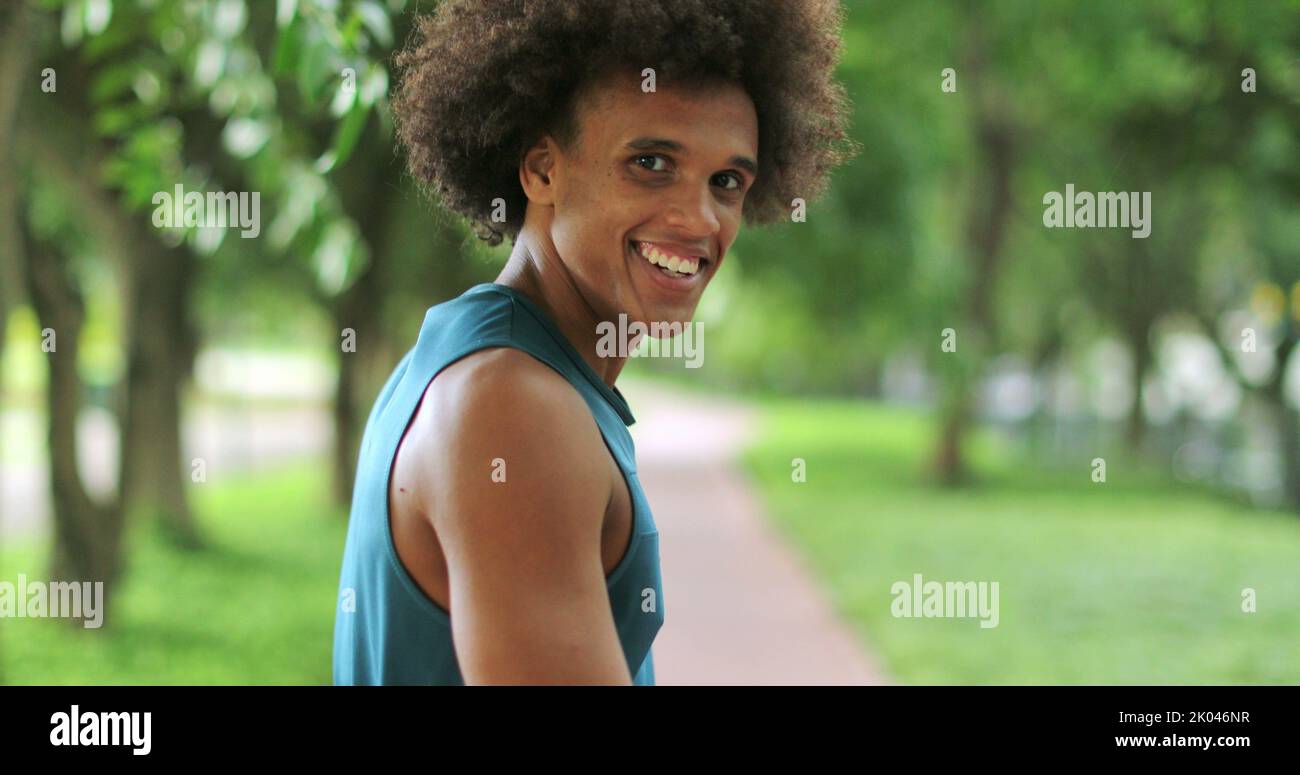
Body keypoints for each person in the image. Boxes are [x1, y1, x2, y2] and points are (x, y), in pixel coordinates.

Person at [332, 0, 856, 685]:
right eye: (650, 163)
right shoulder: (512, 408)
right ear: (542, 171)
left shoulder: (486, 359)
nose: (699, 218)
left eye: (726, 181)